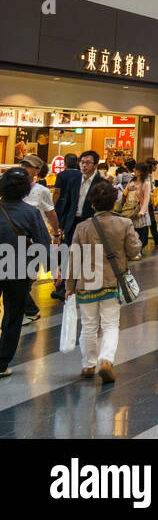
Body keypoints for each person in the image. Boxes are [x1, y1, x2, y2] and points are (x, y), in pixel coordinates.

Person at [66, 179, 140, 384]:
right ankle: (106, 359)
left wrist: (69, 286)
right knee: (110, 325)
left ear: (92, 204)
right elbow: (134, 251)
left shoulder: (82, 227)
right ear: (114, 202)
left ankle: (88, 364)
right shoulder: (124, 223)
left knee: (88, 325)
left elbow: (74, 258)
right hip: (112, 281)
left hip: (86, 282)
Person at [0, 167, 50, 377]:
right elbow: (43, 243)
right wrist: (53, 270)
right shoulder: (31, 213)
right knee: (14, 315)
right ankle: (1, 363)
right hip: (18, 269)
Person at [51, 150, 104, 299]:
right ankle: (64, 287)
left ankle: (84, 286)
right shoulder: (75, 181)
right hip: (72, 222)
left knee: (87, 254)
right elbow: (67, 202)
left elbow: (105, 206)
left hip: (90, 223)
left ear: (95, 165)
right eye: (82, 162)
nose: (84, 166)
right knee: (68, 253)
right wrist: (61, 224)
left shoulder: (101, 183)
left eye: (88, 163)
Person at [18, 156, 58, 325]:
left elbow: (51, 213)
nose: (25, 168)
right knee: (16, 279)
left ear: (37, 171)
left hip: (34, 242)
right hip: (12, 240)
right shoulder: (13, 186)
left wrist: (56, 234)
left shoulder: (41, 191)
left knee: (24, 279)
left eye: (29, 166)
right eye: (23, 164)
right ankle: (28, 310)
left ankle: (30, 310)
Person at [121, 162, 153, 259]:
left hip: (139, 211)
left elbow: (147, 198)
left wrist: (143, 211)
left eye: (137, 170)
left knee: (142, 233)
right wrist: (128, 189)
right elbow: (124, 193)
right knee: (131, 233)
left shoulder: (146, 183)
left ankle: (138, 250)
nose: (135, 171)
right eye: (135, 169)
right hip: (130, 210)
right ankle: (133, 251)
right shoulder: (131, 180)